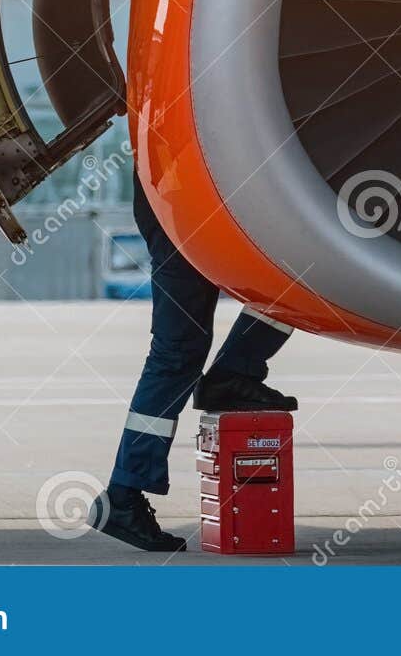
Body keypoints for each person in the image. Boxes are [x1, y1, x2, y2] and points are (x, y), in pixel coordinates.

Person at [89, 174, 297, 552]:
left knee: (295, 280)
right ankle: (123, 495)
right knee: (177, 351)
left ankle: (233, 373)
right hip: (183, 202)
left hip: (187, 199)